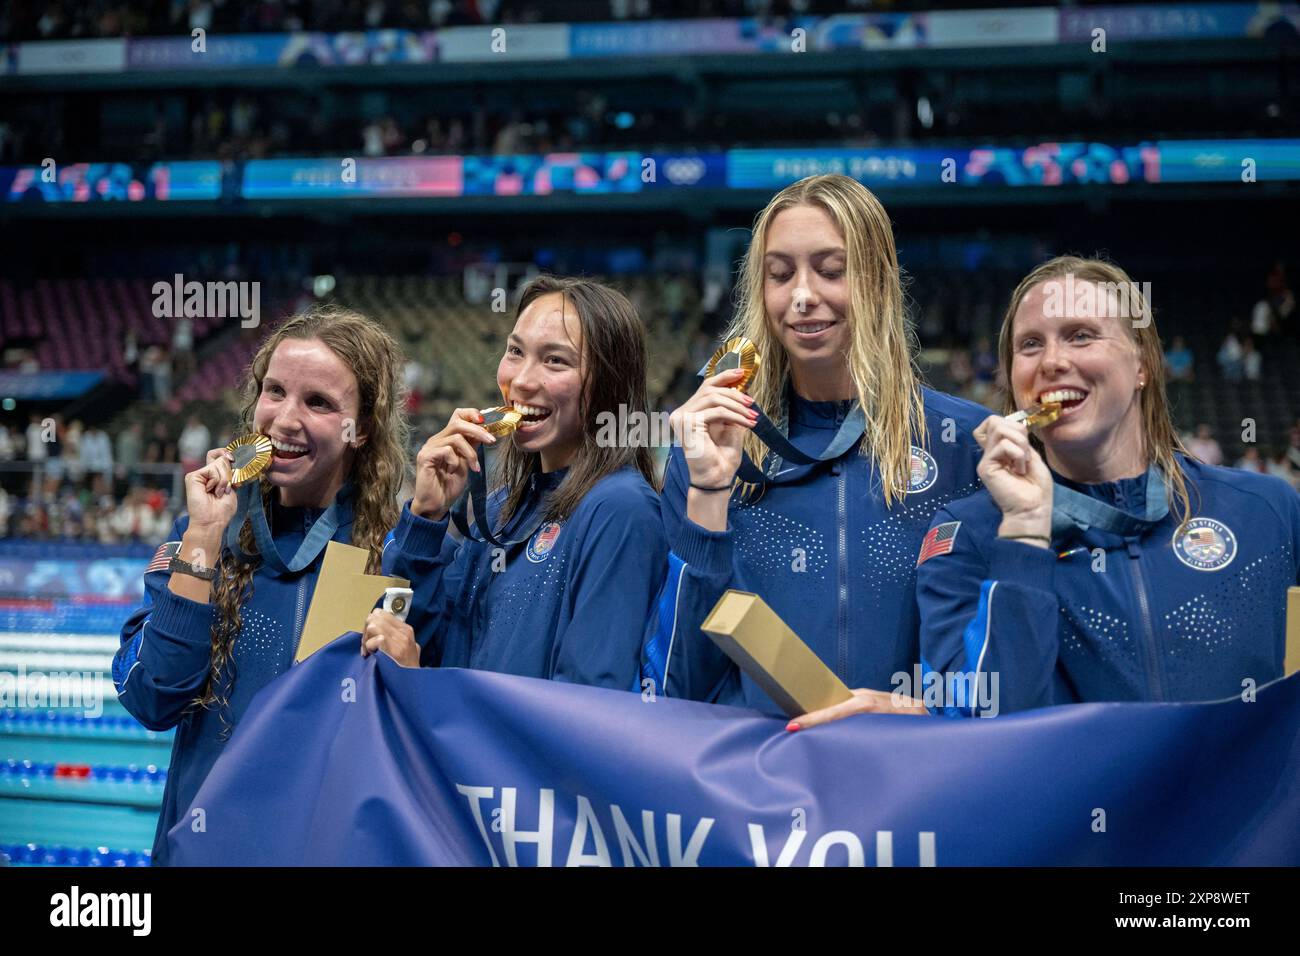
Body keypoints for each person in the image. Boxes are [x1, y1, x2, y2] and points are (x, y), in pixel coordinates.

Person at [640, 173, 987, 726]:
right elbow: (676, 687)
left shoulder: (967, 445)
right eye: (780, 275)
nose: (802, 296)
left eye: (831, 270)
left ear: (881, 281)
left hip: (916, 787)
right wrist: (708, 494)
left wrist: (911, 712)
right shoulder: (712, 445)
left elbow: (1000, 685)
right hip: (758, 791)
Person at [917, 256, 1298, 715]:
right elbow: (986, 732)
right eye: (1031, 344)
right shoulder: (968, 536)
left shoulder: (1263, 510)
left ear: (1143, 363)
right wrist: (1023, 532)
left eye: (1081, 335)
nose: (1053, 362)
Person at [112, 306, 408, 865]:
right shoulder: (201, 533)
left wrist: (408, 675)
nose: (284, 420)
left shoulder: (395, 554)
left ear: (361, 428)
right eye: (275, 392)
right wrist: (203, 536)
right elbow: (152, 697)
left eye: (318, 403)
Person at [362, 276, 665, 690]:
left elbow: (584, 708)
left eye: (555, 360)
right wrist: (425, 518)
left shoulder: (620, 509)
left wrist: (421, 692)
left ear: (609, 384)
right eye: (515, 351)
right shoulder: (499, 509)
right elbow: (415, 641)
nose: (521, 380)